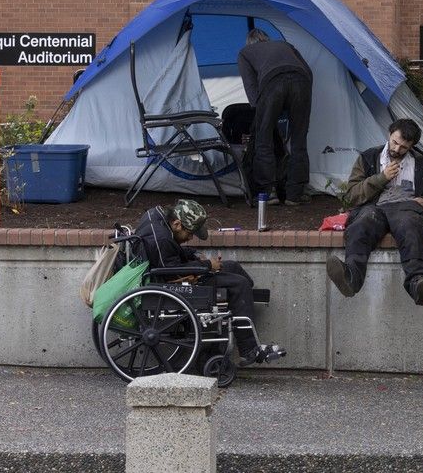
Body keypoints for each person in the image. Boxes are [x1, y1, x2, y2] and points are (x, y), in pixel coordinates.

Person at [134, 199, 286, 365]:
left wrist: (194, 255)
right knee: (239, 284)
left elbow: (170, 254)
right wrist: (206, 265)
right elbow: (173, 269)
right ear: (177, 224)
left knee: (233, 268)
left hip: (171, 272)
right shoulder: (162, 238)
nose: (190, 237)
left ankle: (242, 304)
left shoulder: (157, 218)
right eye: (190, 233)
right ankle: (249, 349)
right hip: (173, 283)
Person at [326, 118, 423, 305]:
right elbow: (351, 196)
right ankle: (350, 278)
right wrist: (381, 178)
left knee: (410, 225)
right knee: (362, 224)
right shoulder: (368, 158)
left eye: (404, 147)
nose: (397, 149)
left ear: (412, 146)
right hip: (374, 209)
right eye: (395, 142)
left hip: (407, 208)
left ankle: (419, 282)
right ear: (389, 134)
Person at [237, 28, 313, 205]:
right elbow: (308, 72)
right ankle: (294, 194)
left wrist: (265, 116)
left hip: (272, 83)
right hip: (302, 82)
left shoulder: (245, 52)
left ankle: (268, 192)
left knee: (264, 140)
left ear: (250, 42)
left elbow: (251, 89)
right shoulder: (285, 45)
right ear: (266, 39)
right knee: (299, 140)